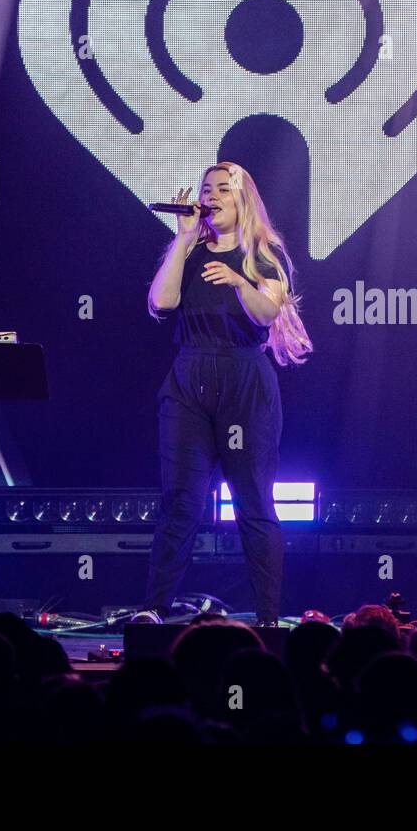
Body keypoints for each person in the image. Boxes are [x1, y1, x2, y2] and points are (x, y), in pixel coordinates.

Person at [135, 162, 311, 626]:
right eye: (206, 189)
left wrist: (238, 281)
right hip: (189, 377)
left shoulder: (263, 255)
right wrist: (182, 238)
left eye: (223, 190)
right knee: (181, 500)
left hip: (243, 381)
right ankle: (155, 607)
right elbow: (162, 301)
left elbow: (266, 315)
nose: (211, 197)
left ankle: (268, 616)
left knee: (253, 500)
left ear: (243, 200)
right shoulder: (190, 251)